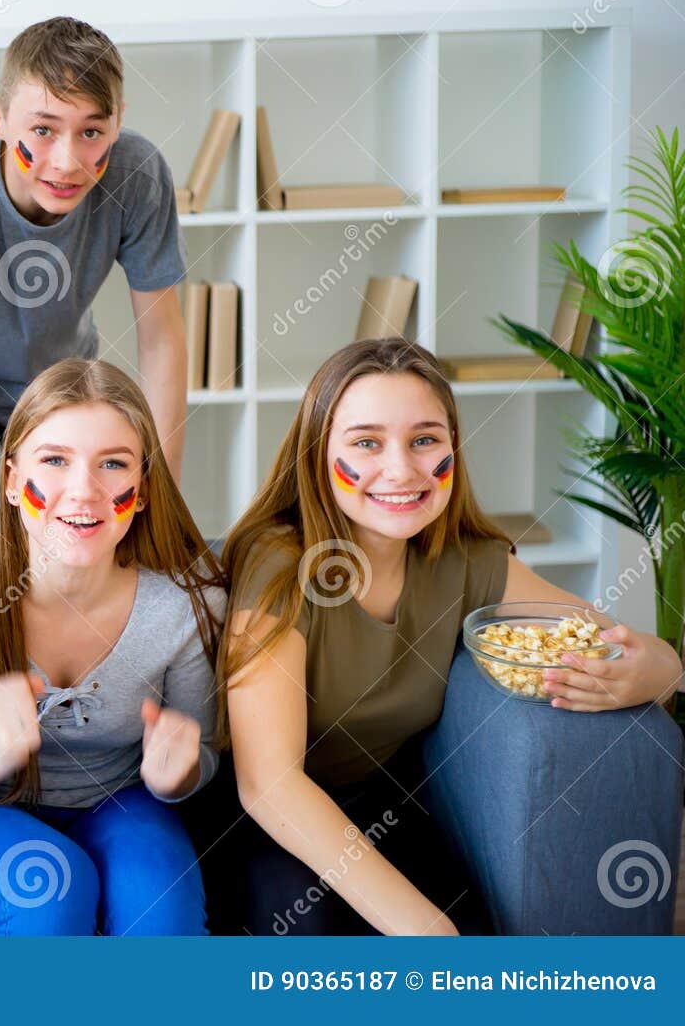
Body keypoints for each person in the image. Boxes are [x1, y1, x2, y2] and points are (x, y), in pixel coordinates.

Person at [219, 338, 683, 935]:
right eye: (366, 442)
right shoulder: (279, 564)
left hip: (383, 808)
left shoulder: (472, 562)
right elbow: (269, 784)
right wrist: (425, 930)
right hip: (267, 822)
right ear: (316, 453)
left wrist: (661, 668)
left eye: (424, 440)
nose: (401, 469)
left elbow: (615, 641)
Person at [0, 358, 223, 935]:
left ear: (142, 490)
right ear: (12, 480)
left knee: (162, 913)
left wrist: (181, 775)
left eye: (112, 463)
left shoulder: (184, 605)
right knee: (50, 892)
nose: (83, 491)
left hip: (118, 799)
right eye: (55, 460)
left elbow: (202, 752)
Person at [0, 17, 189, 534]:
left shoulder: (138, 176)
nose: (67, 162)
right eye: (43, 130)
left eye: (91, 131)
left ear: (118, 122)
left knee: (83, 549)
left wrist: (165, 494)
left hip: (66, 394)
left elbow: (161, 338)